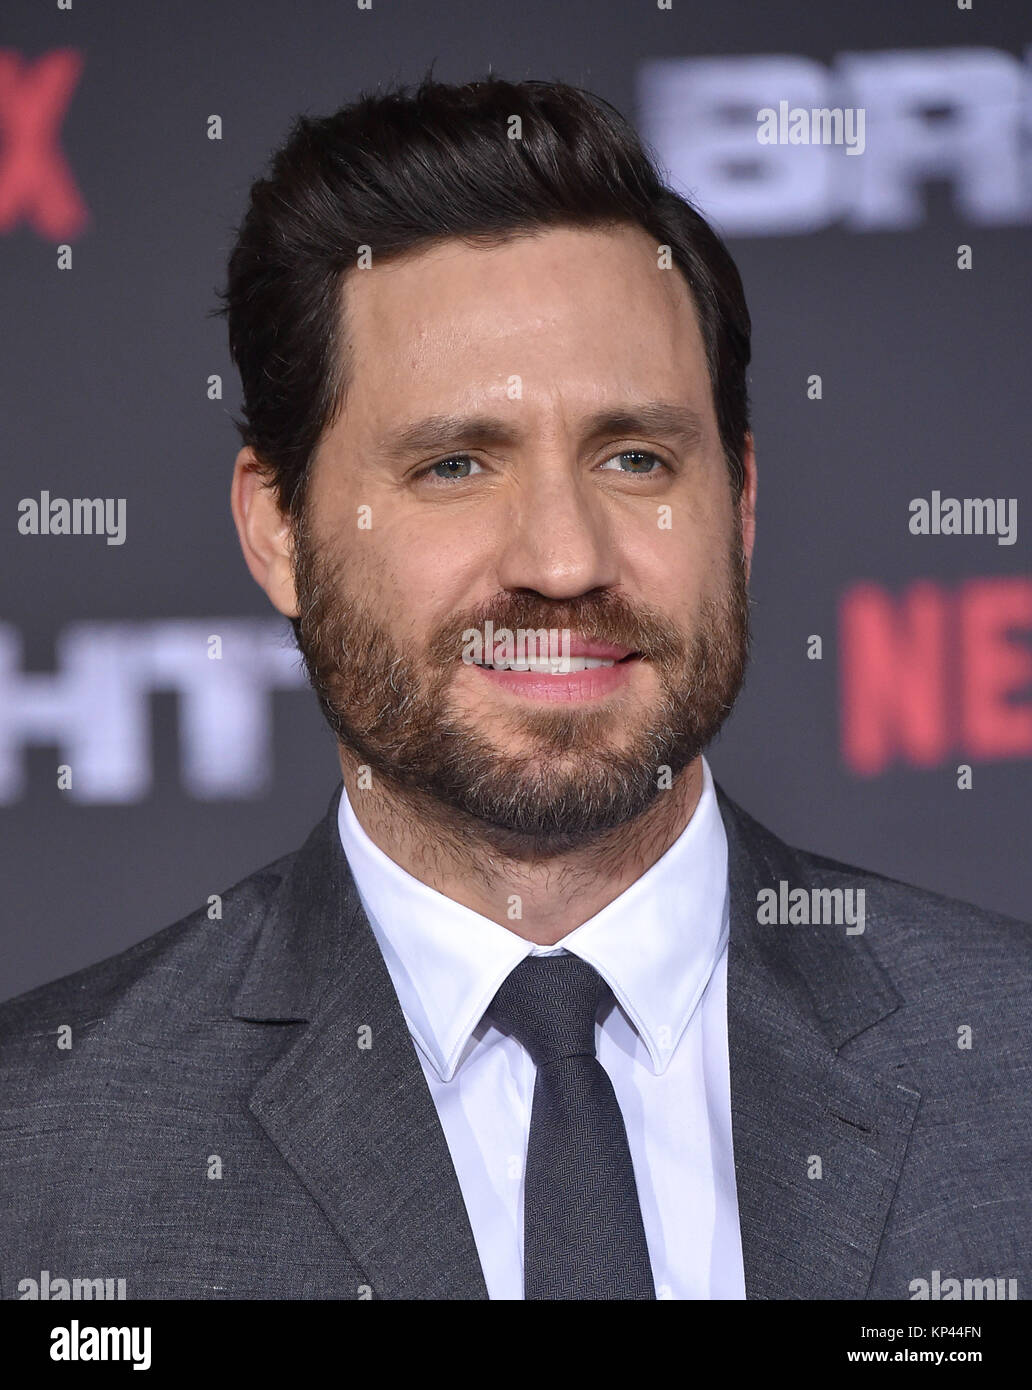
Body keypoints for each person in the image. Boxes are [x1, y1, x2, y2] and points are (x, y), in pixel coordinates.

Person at [1, 75, 1028, 1302]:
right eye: (453, 465)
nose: (562, 560)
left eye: (636, 456)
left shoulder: (1006, 1060)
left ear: (741, 505)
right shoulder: (42, 1159)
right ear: (278, 528)